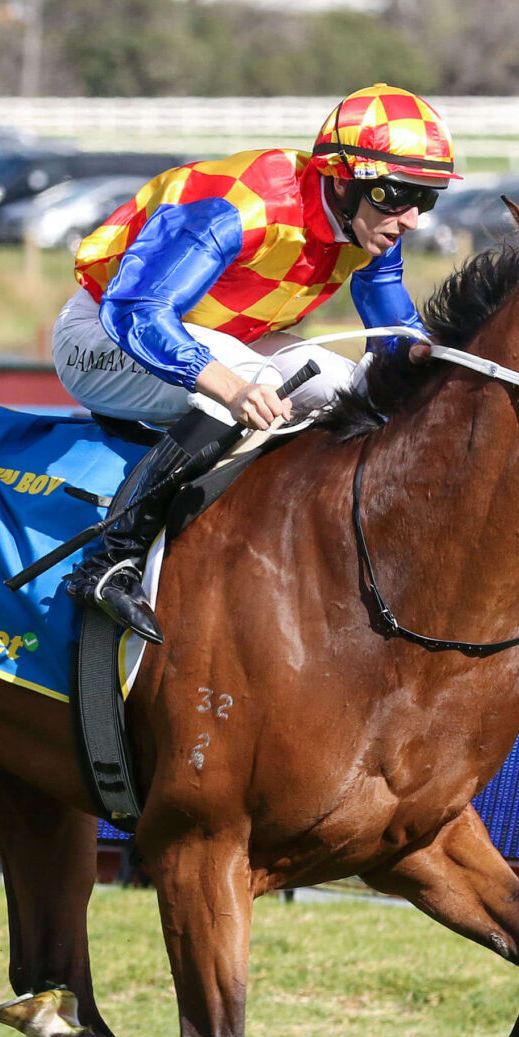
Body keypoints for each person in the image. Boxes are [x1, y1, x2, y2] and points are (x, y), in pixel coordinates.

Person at [55, 83, 459, 644]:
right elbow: (137, 310)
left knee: (343, 384)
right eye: (395, 195)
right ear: (342, 178)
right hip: (103, 333)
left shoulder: (369, 225)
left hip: (214, 339)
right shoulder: (244, 205)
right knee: (257, 382)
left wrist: (431, 361)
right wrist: (228, 385)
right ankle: (109, 561)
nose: (411, 219)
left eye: (426, 198)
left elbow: (393, 339)